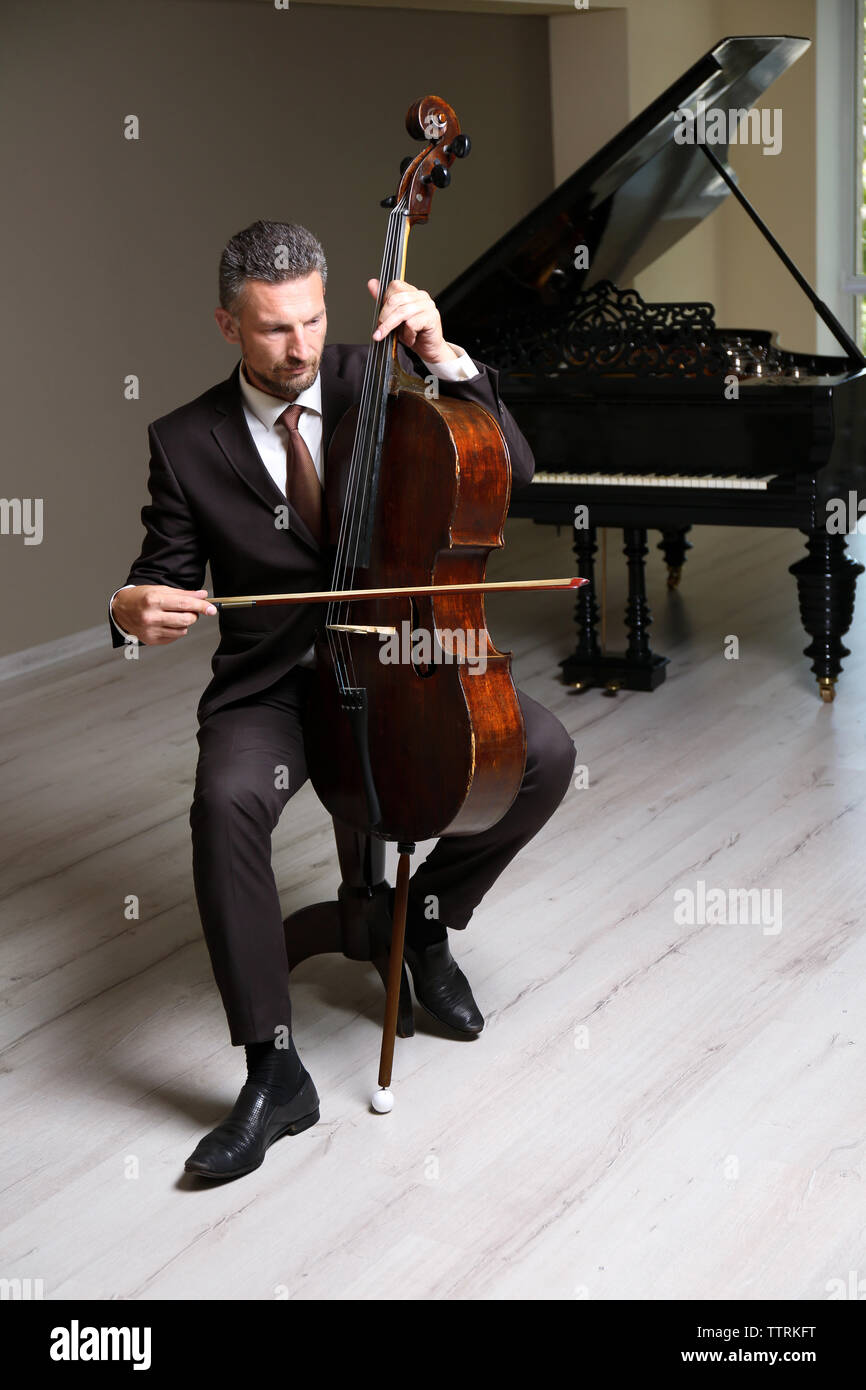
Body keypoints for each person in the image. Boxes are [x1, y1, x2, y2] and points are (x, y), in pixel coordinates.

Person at [109, 221, 576, 1181]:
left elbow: (514, 475)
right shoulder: (186, 442)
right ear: (228, 325)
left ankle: (426, 920)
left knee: (544, 754)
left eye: (315, 319)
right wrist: (126, 609)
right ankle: (273, 1071)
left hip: (405, 652)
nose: (303, 347)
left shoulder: (382, 377)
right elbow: (159, 574)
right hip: (274, 682)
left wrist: (446, 359)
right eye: (276, 328)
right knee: (227, 800)